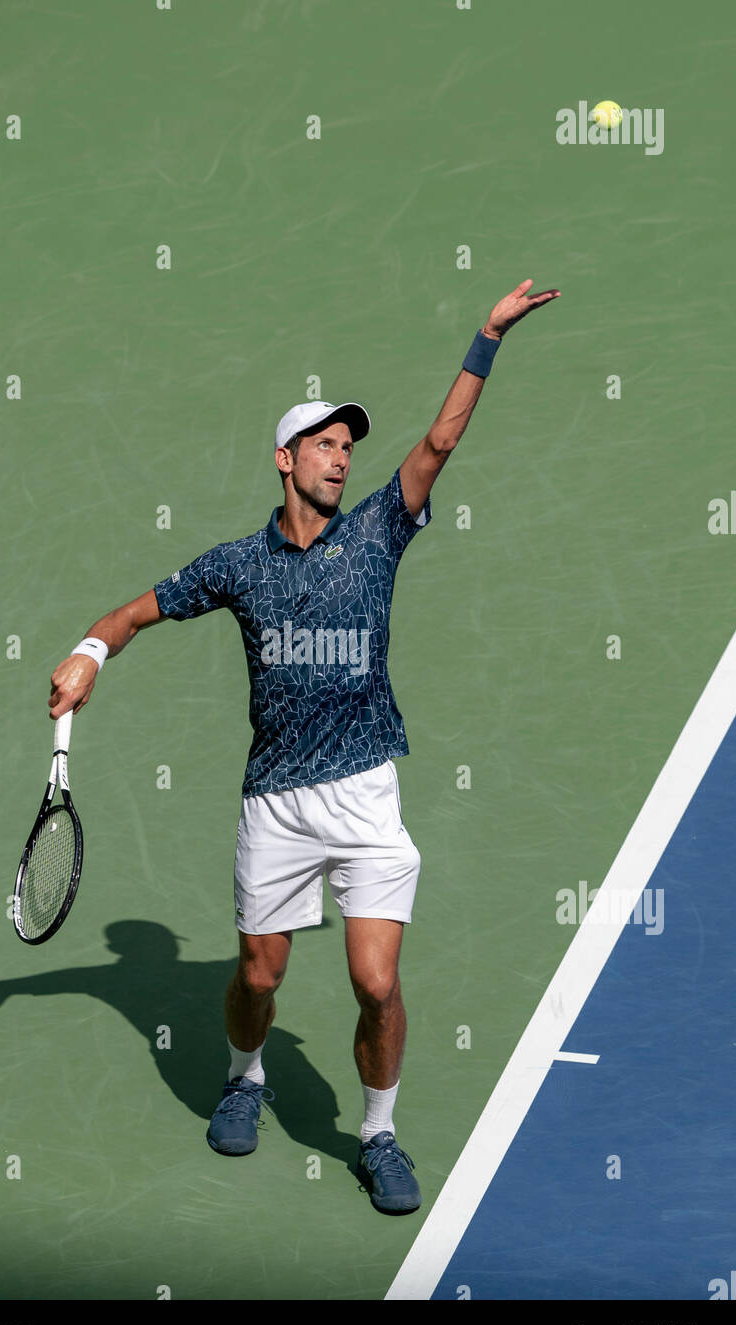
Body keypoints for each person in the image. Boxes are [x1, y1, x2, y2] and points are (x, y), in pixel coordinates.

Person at [48, 278, 560, 1214]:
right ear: (284, 459)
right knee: (258, 973)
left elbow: (440, 443)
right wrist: (88, 655)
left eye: (348, 446)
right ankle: (246, 1075)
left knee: (375, 980)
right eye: (326, 445)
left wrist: (487, 337)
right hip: (275, 800)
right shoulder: (237, 565)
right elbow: (133, 614)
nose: (342, 458)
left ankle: (379, 1133)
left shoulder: (378, 531)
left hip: (364, 792)